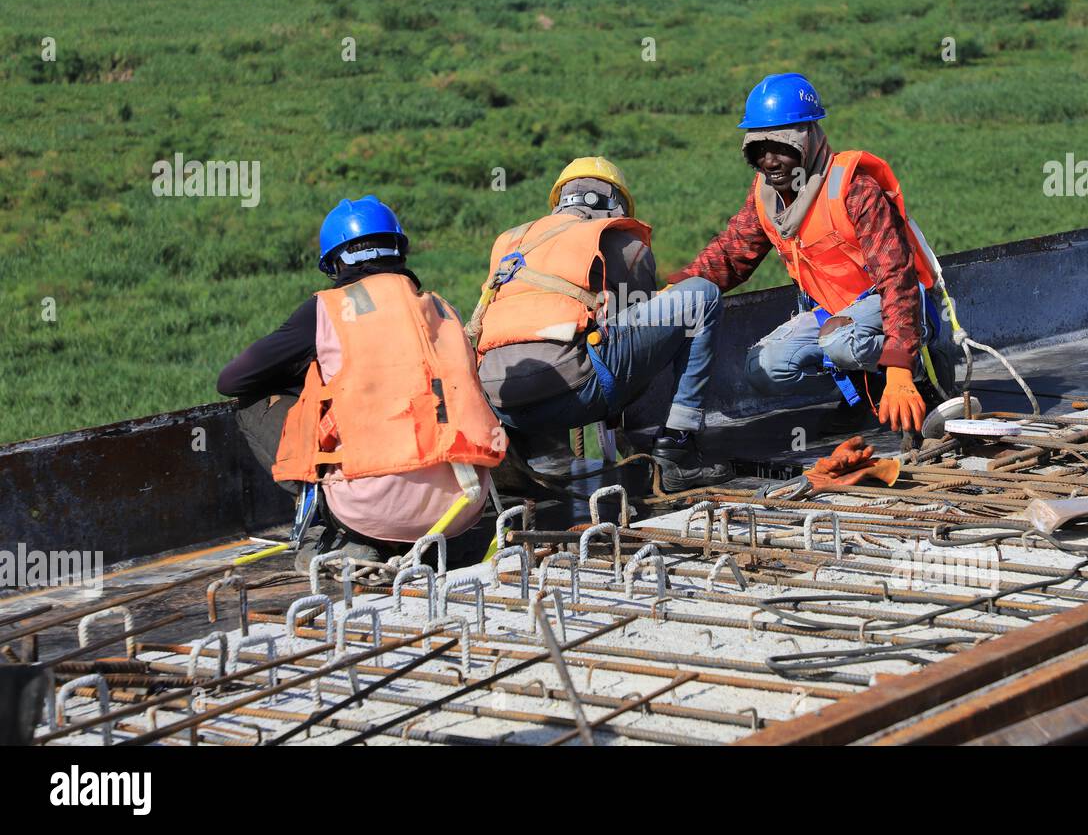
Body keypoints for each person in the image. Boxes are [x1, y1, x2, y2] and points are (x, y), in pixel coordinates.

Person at [217, 195, 505, 566]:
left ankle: (330, 529)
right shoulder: (440, 309)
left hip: (370, 512)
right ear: (398, 250)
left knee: (254, 403)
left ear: (335, 262)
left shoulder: (326, 311)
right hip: (462, 506)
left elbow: (233, 380)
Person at [665, 73, 958, 433]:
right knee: (764, 367)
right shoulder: (766, 196)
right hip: (833, 317)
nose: (769, 161)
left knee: (841, 340)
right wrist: (673, 290)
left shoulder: (853, 189)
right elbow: (730, 255)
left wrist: (898, 365)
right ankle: (868, 393)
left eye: (782, 147)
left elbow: (897, 280)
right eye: (759, 149)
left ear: (808, 141)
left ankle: (920, 380)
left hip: (896, 309)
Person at [470, 156, 729, 492]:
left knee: (535, 343)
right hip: (578, 392)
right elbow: (641, 329)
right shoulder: (622, 243)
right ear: (617, 203)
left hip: (502, 406)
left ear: (560, 200)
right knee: (702, 296)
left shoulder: (511, 242)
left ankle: (544, 456)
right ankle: (678, 447)